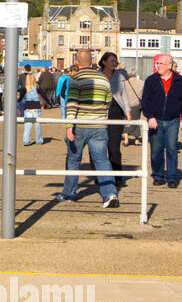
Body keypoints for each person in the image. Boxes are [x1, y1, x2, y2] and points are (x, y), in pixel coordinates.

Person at [55, 49, 119, 208]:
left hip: (80, 125)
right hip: (99, 126)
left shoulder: (76, 78)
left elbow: (72, 103)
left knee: (73, 159)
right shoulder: (103, 79)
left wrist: (69, 125)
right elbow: (108, 102)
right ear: (91, 61)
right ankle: (110, 194)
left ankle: (69, 193)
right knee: (102, 160)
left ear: (77, 62)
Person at [140, 53, 182, 188]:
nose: (157, 66)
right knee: (156, 150)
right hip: (155, 120)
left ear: (169, 65)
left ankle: (172, 177)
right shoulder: (151, 80)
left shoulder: (179, 80)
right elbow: (145, 101)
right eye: (157, 63)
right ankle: (158, 176)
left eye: (160, 64)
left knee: (171, 149)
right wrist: (150, 116)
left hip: (173, 120)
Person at [99, 52, 130, 188]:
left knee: (114, 147)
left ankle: (117, 176)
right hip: (100, 113)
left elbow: (124, 95)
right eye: (111, 61)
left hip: (116, 112)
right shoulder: (98, 75)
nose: (114, 63)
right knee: (99, 147)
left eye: (115, 61)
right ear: (104, 62)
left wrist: (128, 114)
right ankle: (99, 176)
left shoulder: (120, 76)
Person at [21, 69, 45, 146]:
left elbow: (20, 98)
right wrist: (50, 103)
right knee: (37, 125)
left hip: (28, 107)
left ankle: (26, 141)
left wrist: (17, 101)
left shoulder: (25, 88)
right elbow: (44, 95)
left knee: (27, 126)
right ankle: (39, 140)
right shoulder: (37, 87)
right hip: (36, 106)